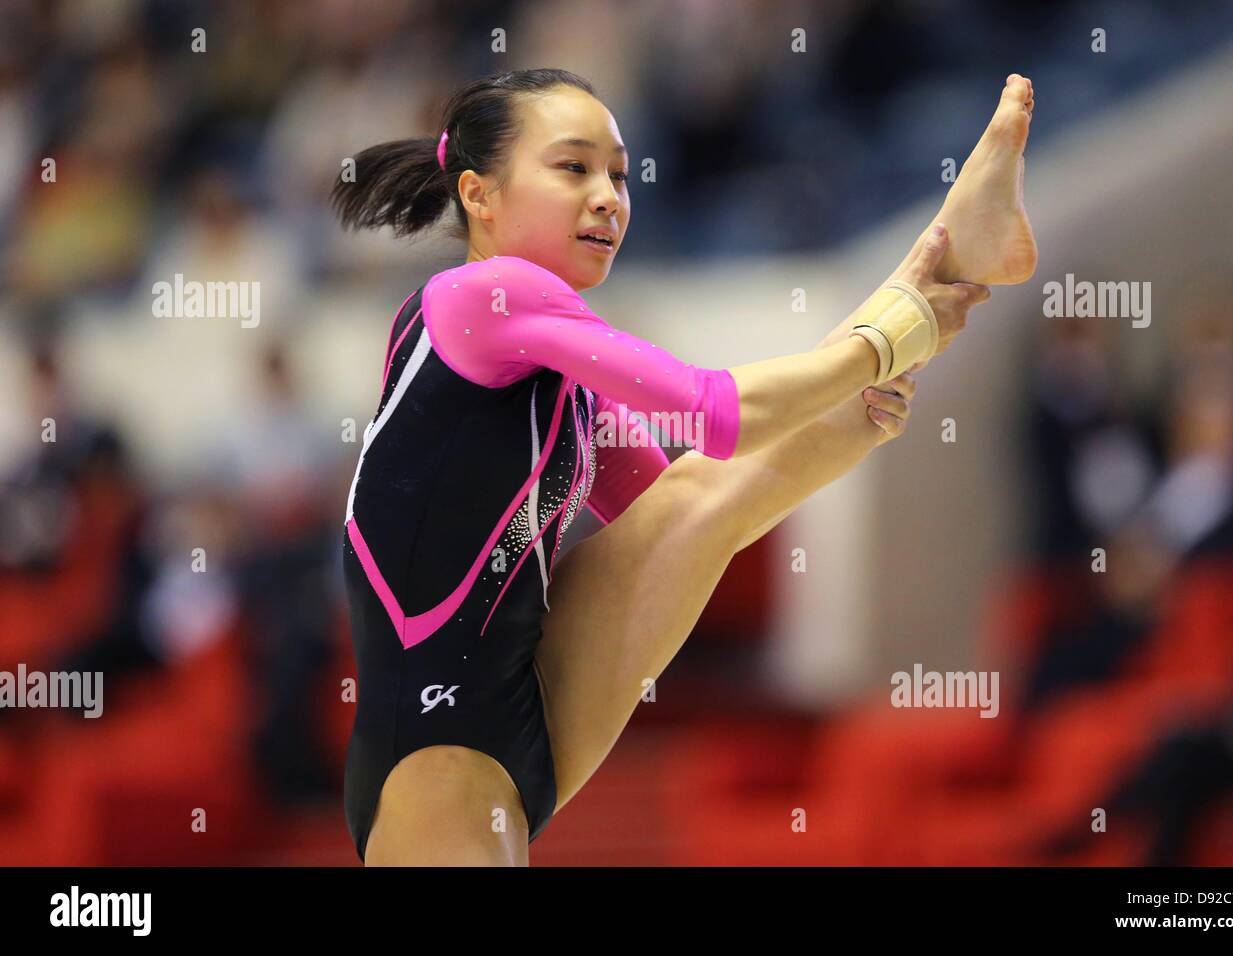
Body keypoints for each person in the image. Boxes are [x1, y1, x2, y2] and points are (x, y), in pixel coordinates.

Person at [330, 67, 1035, 865]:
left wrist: (853, 417)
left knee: (705, 497)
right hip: (434, 747)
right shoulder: (477, 298)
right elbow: (714, 413)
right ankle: (936, 272)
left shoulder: (559, 385)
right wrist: (889, 339)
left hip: (524, 707)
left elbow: (696, 509)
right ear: (479, 195)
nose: (607, 196)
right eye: (573, 168)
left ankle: (952, 254)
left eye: (619, 175)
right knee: (743, 458)